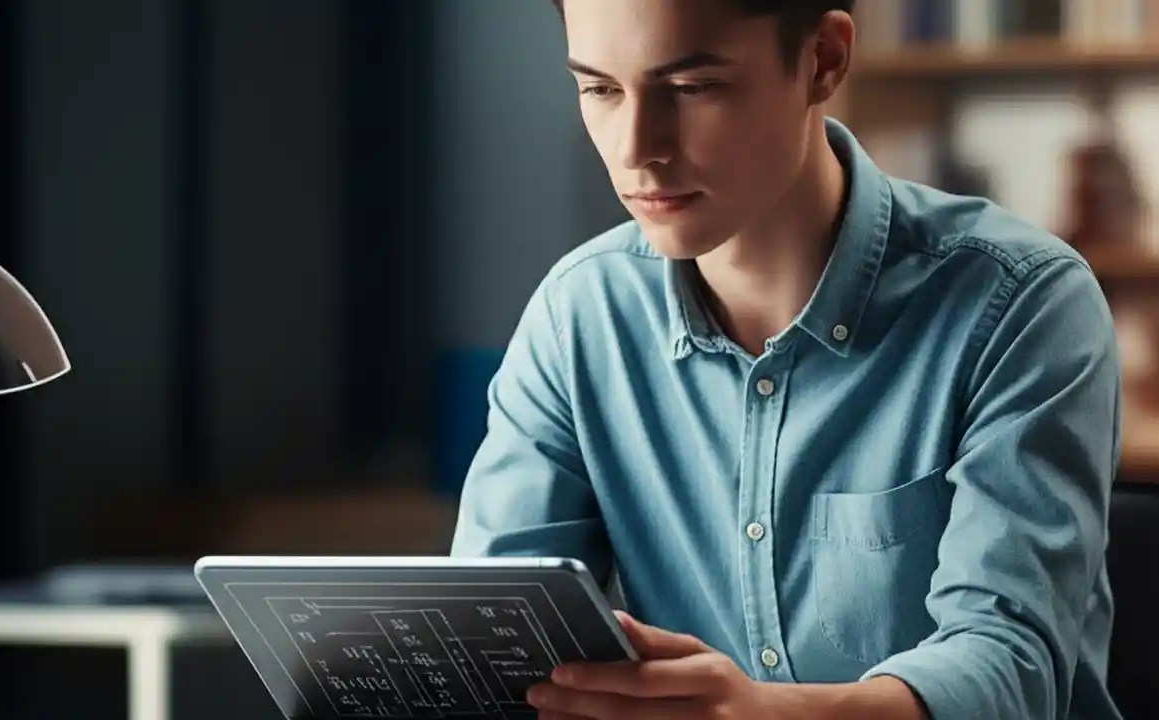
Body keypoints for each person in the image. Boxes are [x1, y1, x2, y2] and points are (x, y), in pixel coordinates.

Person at [450, 1, 1122, 718]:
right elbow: (487, 636)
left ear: (824, 60)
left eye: (692, 88)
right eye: (601, 89)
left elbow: (1009, 668)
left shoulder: (1018, 302)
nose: (636, 148)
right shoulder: (579, 316)